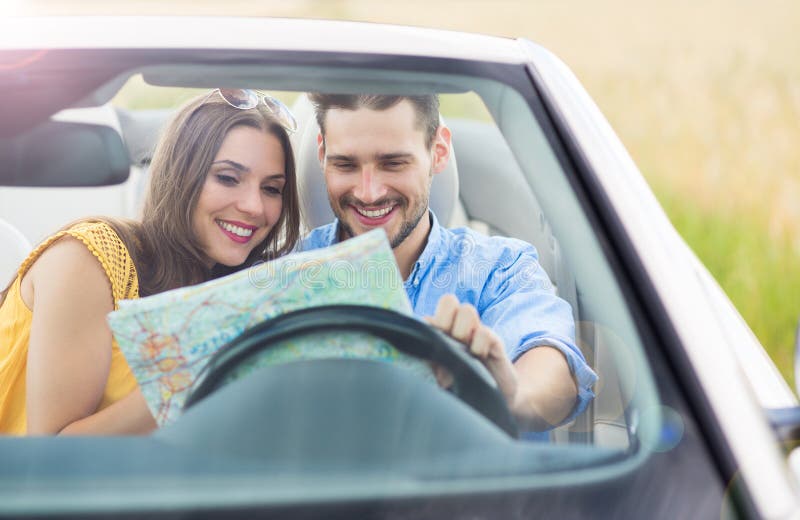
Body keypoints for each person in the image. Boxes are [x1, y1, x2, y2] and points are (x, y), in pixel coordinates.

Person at [0, 89, 301, 435]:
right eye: (228, 178)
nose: (254, 206)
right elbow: (55, 452)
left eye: (272, 189)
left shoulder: (245, 283)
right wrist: (208, 366)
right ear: (180, 174)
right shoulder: (88, 257)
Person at [300, 93, 597, 433]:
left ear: (437, 151)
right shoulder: (282, 272)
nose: (369, 193)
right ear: (322, 155)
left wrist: (510, 394)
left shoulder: (499, 268)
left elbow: (552, 369)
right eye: (346, 165)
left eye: (394, 163)